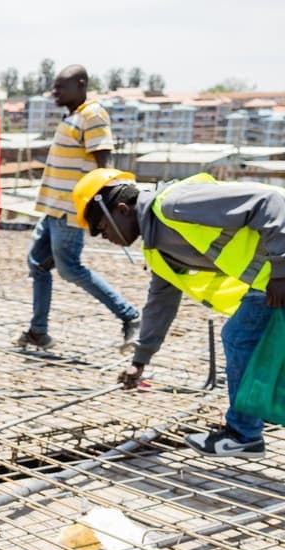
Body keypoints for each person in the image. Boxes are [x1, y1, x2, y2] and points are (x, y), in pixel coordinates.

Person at [73, 168, 285, 458]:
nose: (103, 237)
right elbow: (161, 302)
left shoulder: (176, 203)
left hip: (276, 274)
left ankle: (244, 433)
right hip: (267, 282)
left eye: (102, 229)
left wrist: (282, 269)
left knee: (239, 336)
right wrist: (140, 360)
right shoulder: (157, 250)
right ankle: (250, 423)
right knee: (245, 337)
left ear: (121, 210)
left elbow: (270, 201)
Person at [16, 65, 140, 351]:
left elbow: (103, 164)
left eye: (61, 87)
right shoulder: (71, 116)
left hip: (72, 211)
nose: (55, 93)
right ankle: (38, 331)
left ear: (81, 85)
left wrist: (100, 210)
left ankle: (130, 316)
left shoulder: (92, 115)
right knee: (38, 264)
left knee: (70, 268)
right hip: (54, 209)